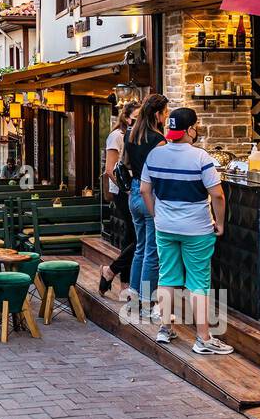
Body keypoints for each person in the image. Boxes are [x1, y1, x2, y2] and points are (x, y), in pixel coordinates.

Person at [141, 108, 231, 354]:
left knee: (167, 277)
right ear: (190, 129)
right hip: (197, 228)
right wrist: (220, 223)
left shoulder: (155, 155)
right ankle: (203, 338)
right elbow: (217, 195)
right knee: (198, 282)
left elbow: (144, 190)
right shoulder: (201, 158)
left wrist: (155, 214)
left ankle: (164, 328)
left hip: (165, 226)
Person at [125, 93, 169, 312]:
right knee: (152, 251)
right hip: (149, 193)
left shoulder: (130, 135)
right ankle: (146, 301)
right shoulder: (158, 140)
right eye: (166, 113)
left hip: (133, 192)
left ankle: (133, 293)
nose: (167, 117)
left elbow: (126, 163)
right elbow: (161, 173)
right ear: (158, 114)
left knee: (140, 247)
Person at [99, 99, 139, 296]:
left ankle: (121, 279)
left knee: (132, 236)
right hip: (123, 192)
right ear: (126, 117)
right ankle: (114, 272)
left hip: (133, 190)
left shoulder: (135, 135)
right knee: (138, 237)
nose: (139, 121)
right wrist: (127, 189)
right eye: (136, 117)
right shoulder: (117, 136)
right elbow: (109, 169)